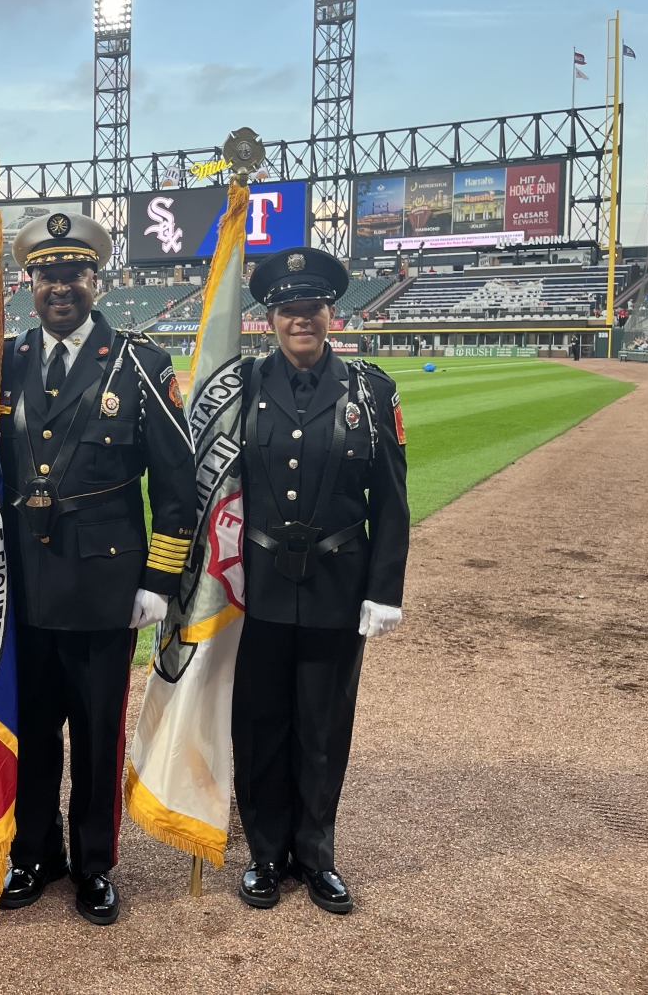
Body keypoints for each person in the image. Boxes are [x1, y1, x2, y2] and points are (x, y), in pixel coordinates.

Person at [0, 212, 195, 925]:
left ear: (95, 279)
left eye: (73, 272)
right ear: (30, 282)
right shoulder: (6, 360)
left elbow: (178, 485)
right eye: (47, 273)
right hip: (24, 585)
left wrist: (158, 581)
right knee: (33, 731)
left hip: (108, 589)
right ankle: (34, 853)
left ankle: (94, 864)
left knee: (98, 732)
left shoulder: (140, 363)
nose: (59, 286)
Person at [233, 246, 410, 916]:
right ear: (270, 317)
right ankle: (264, 855)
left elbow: (392, 500)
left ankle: (316, 854)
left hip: (338, 583)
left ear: (331, 311)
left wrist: (385, 589)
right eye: (287, 308)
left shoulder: (371, 389)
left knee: (323, 726)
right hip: (259, 586)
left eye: (311, 307)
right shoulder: (244, 385)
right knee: (260, 725)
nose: (300, 318)